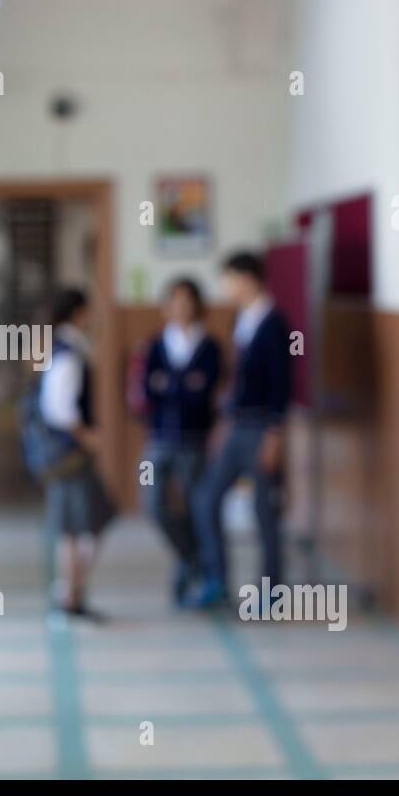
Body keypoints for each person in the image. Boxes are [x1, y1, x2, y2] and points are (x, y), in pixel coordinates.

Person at [189, 251, 292, 607]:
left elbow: (282, 384)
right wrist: (223, 423)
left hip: (262, 428)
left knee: (264, 511)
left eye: (229, 279)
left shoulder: (274, 324)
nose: (226, 287)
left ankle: (271, 590)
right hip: (236, 426)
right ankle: (217, 577)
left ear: (248, 279)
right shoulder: (241, 319)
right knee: (207, 498)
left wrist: (275, 436)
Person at [139, 278, 222, 606]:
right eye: (175, 300)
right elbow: (149, 391)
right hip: (158, 437)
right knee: (153, 504)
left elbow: (204, 393)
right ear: (166, 306)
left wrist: (170, 385)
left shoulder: (209, 346)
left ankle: (192, 571)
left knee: (193, 506)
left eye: (187, 300)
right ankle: (192, 559)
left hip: (194, 439)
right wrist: (185, 385)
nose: (181, 307)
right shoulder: (156, 345)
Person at [39, 287, 115, 620]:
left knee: (83, 522)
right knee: (78, 525)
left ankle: (71, 591)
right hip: (69, 454)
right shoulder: (68, 354)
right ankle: (70, 595)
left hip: (64, 453)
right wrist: (86, 436)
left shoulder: (62, 348)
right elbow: (60, 408)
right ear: (79, 314)